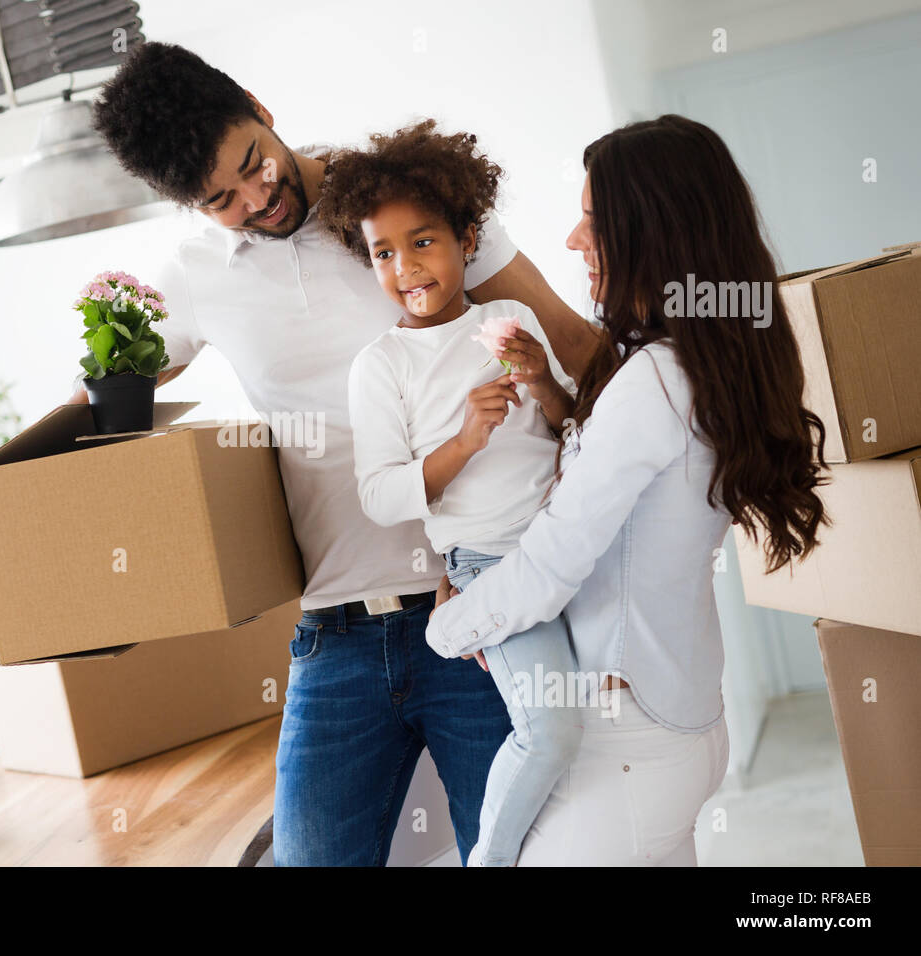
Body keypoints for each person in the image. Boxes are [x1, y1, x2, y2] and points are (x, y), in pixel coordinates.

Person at [81, 41, 600, 865]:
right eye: (221, 198)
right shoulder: (192, 277)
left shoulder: (401, 205)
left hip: (478, 610)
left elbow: (569, 339)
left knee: (518, 856)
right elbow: (103, 411)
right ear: (184, 204)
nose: (258, 197)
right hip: (337, 636)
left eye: (255, 162)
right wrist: (17, 492)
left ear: (260, 104)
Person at [424, 114, 830, 865]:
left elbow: (550, 569)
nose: (576, 241)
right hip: (679, 728)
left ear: (653, 232)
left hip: (625, 750)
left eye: (591, 221)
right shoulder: (699, 366)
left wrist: (445, 631)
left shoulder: (653, 383)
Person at [317, 120, 586, 867]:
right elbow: (379, 496)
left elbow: (569, 429)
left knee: (604, 730)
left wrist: (539, 381)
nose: (406, 266)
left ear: (468, 239)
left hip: (569, 544)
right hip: (489, 567)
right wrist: (465, 441)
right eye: (383, 252)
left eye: (423, 241)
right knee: (553, 730)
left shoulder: (514, 321)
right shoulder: (381, 365)